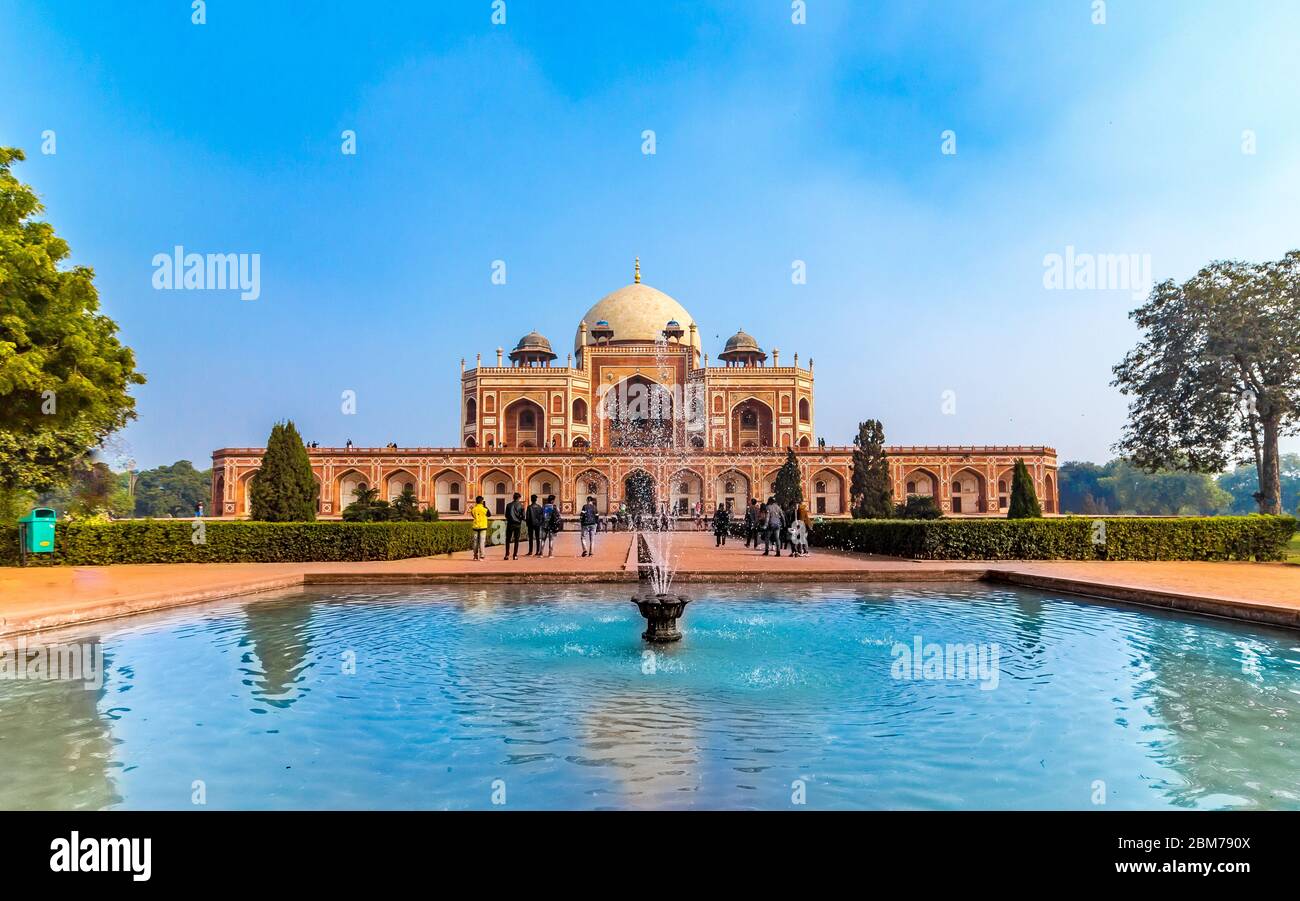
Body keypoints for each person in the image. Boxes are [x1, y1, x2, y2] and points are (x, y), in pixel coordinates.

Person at [504, 492, 524, 560]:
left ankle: (507, 555)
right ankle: (515, 555)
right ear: (519, 498)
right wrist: (519, 519)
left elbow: (506, 515)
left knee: (508, 539)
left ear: (513, 497)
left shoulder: (508, 505)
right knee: (516, 540)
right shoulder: (521, 506)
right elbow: (523, 516)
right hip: (517, 524)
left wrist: (510, 519)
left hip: (510, 524)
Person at [470, 495, 490, 560]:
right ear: (482, 501)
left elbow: (473, 516)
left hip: (475, 526)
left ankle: (475, 556)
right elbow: (489, 515)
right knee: (482, 541)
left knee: (475, 542)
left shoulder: (473, 509)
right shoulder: (485, 509)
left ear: (476, 501)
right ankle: (482, 555)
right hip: (483, 527)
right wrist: (486, 507)